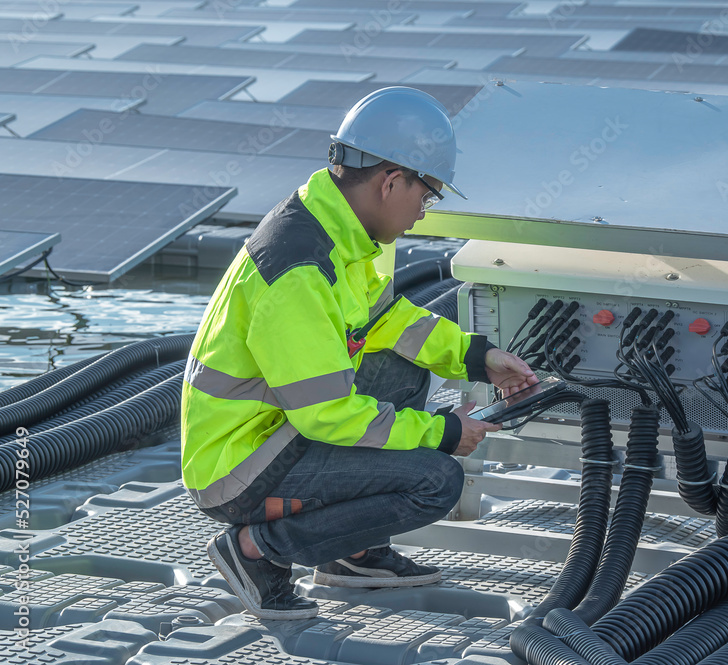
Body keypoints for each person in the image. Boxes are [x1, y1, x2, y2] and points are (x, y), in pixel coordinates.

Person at [180, 86, 537, 620]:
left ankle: (352, 552)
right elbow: (325, 415)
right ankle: (254, 550)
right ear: (392, 181)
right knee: (435, 481)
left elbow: (388, 322)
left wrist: (475, 356)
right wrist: (441, 431)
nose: (424, 211)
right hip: (237, 469)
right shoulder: (299, 269)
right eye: (428, 195)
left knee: (405, 365)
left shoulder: (340, 230)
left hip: (274, 429)